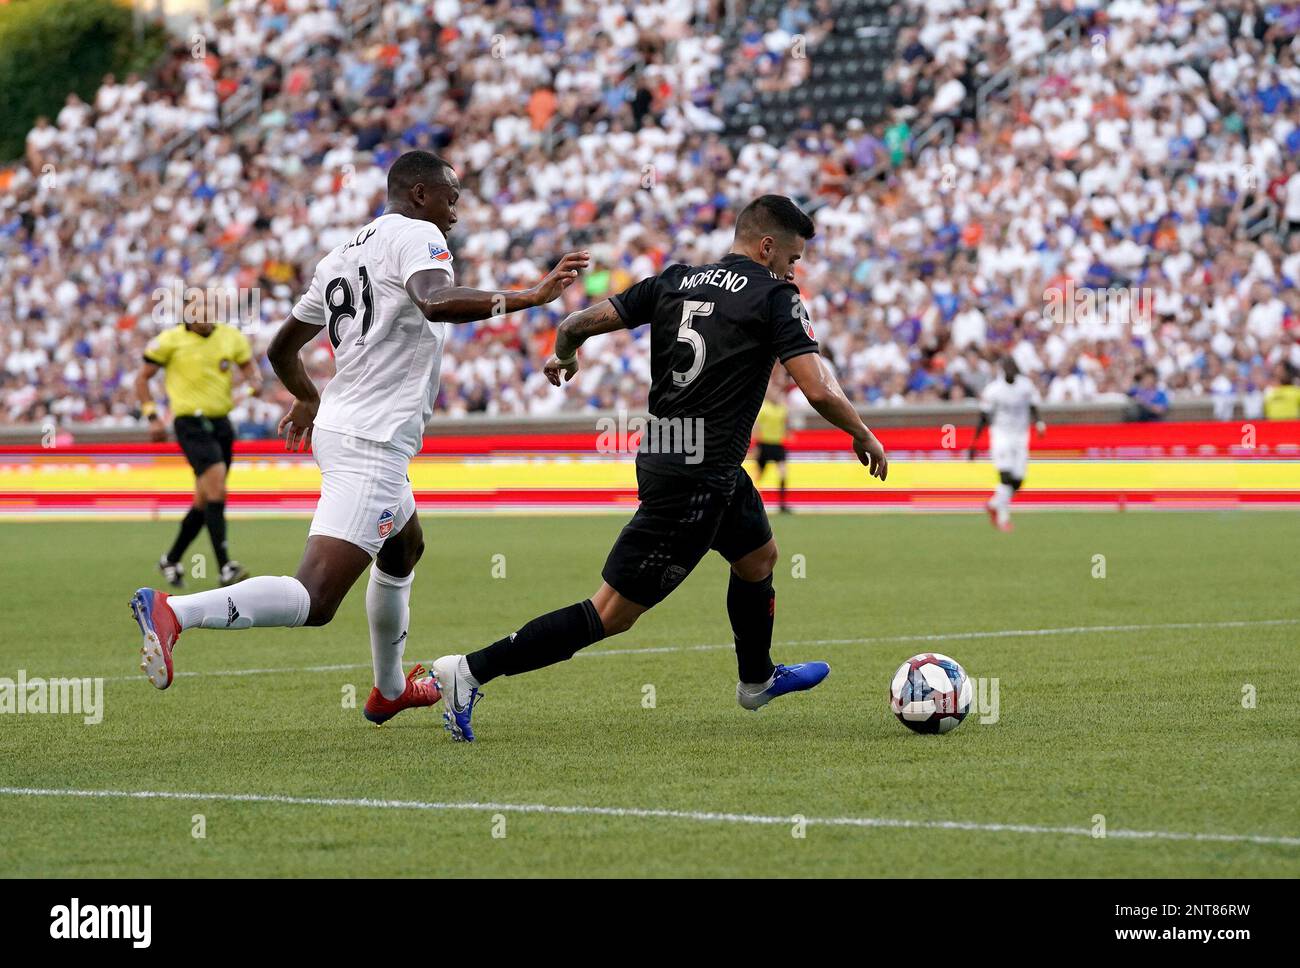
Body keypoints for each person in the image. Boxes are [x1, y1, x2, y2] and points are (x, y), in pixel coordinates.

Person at [128, 150, 589, 729]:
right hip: (372, 439)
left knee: (403, 546)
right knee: (316, 598)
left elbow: (280, 349)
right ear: (419, 194)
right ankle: (176, 611)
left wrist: (308, 397)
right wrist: (530, 296)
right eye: (450, 196)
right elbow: (435, 301)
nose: (457, 209)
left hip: (350, 428)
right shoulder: (419, 235)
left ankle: (390, 690)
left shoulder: (343, 254)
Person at [427, 194, 889, 742]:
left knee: (759, 556)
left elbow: (576, 322)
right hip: (698, 476)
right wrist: (862, 433)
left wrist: (565, 356)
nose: (795, 268)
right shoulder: (775, 296)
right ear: (767, 247)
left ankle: (757, 678)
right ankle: (468, 671)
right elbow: (816, 386)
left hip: (674, 452)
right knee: (611, 613)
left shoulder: (675, 280)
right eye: (792, 257)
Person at [136, 299, 260, 588]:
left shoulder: (232, 337)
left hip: (221, 424)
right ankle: (225, 566)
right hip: (190, 423)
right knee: (217, 486)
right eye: (197, 313)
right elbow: (141, 379)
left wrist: (250, 388)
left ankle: (171, 558)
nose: (204, 318)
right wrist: (152, 415)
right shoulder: (169, 341)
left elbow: (251, 372)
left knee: (204, 500)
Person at [968, 355, 1045, 532]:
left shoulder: (1025, 386)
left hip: (1020, 435)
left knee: (1018, 481)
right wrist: (974, 443)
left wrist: (1040, 423)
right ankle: (1004, 518)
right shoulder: (994, 390)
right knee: (1006, 477)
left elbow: (1033, 405)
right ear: (1003, 371)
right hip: (1001, 434)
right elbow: (984, 417)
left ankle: (993, 504)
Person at [752, 371, 793, 512]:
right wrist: (756, 447)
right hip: (764, 444)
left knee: (783, 473)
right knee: (757, 477)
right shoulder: (764, 409)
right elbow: (756, 427)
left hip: (777, 445)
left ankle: (782, 504)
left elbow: (786, 424)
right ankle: (752, 503)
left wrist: (787, 433)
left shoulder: (782, 409)